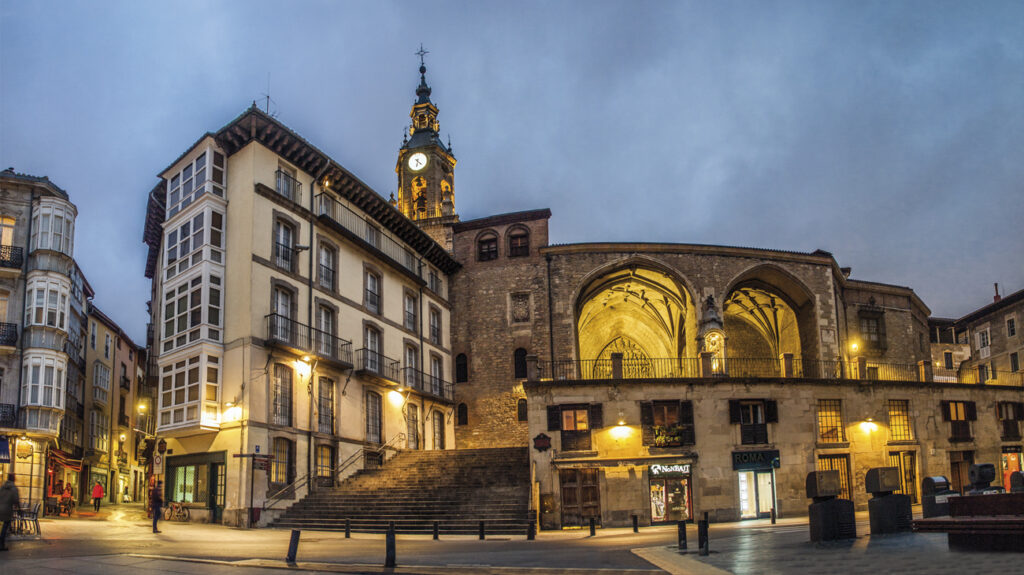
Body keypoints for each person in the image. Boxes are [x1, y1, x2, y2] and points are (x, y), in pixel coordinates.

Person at [0, 473, 20, 551]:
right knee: (5, 526)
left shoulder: (2, 487)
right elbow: (16, 500)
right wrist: (19, 509)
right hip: (7, 509)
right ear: (13, 478)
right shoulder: (14, 488)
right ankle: (1, 543)